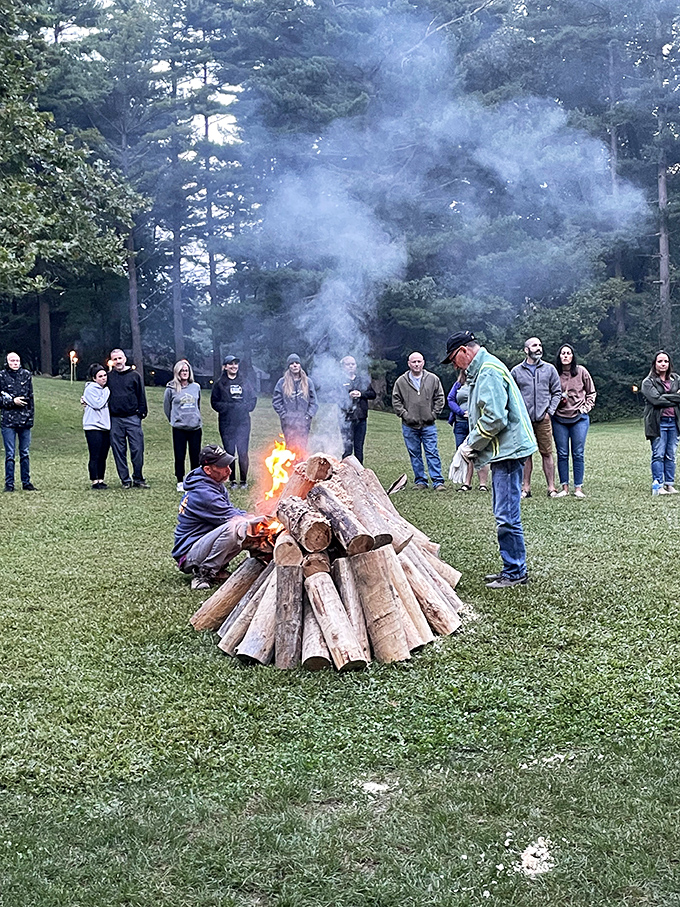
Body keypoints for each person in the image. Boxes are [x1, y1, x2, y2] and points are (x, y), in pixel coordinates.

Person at [441, 331, 537, 589]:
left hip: (509, 450)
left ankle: (516, 572)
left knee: (506, 515)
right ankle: (511, 567)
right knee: (503, 512)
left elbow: (494, 418)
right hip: (505, 449)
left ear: (463, 351)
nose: (454, 366)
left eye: (453, 359)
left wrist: (469, 445)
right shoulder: (484, 367)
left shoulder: (487, 371)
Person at [172, 444, 262, 591]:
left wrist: (254, 516)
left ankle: (217, 570)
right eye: (222, 466)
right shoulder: (204, 494)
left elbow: (231, 510)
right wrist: (261, 518)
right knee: (236, 527)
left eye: (228, 464)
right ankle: (203, 574)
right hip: (189, 555)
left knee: (241, 525)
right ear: (207, 470)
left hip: (201, 544)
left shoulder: (213, 483)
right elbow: (231, 517)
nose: (229, 470)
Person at [510, 337, 562, 499]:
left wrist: (550, 412)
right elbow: (511, 395)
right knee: (526, 453)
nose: (538, 348)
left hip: (543, 419)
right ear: (526, 350)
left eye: (540, 345)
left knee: (547, 453)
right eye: (534, 345)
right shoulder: (516, 371)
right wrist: (518, 414)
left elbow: (557, 392)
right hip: (524, 420)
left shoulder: (549, 369)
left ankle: (551, 488)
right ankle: (526, 488)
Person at [392, 351, 445, 490]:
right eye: (413, 362)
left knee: (432, 452)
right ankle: (420, 481)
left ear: (423, 362)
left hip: (428, 424)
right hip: (409, 425)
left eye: (419, 361)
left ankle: (438, 481)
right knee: (415, 454)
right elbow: (396, 400)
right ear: (409, 364)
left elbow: (440, 397)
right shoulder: (401, 381)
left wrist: (433, 414)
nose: (416, 364)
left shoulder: (433, 379)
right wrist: (405, 415)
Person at [552, 344, 596, 499]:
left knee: (578, 453)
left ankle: (578, 488)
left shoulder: (582, 371)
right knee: (562, 453)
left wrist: (585, 408)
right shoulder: (554, 373)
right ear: (559, 356)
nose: (565, 356)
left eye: (568, 353)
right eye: (562, 353)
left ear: (572, 356)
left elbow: (591, 392)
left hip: (579, 418)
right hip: (559, 418)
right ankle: (564, 487)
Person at [210, 355, 257, 488]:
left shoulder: (245, 382)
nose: (233, 366)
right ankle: (232, 480)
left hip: (243, 422)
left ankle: (243, 480)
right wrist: (230, 407)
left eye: (235, 364)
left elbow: (253, 400)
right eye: (230, 364)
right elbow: (214, 403)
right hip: (227, 423)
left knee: (243, 452)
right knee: (229, 452)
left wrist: (243, 407)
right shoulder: (220, 384)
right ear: (225, 367)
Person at [107, 348, 149, 489]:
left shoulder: (135, 376)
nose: (118, 361)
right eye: (115, 359)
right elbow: (98, 391)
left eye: (120, 358)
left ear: (125, 359)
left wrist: (141, 413)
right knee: (119, 451)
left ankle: (138, 477)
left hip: (133, 418)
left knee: (137, 449)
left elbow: (141, 395)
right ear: (112, 361)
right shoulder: (109, 377)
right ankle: (125, 480)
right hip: (115, 419)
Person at [641, 350, 680, 495]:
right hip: (658, 423)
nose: (663, 364)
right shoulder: (648, 382)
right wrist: (675, 397)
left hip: (674, 422)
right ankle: (659, 484)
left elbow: (661, 398)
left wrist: (665, 397)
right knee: (658, 453)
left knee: (671, 454)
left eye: (666, 361)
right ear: (654, 364)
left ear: (669, 363)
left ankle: (670, 484)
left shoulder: (676, 379)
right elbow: (655, 400)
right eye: (660, 361)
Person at [447, 369, 489, 491]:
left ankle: (483, 484)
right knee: (464, 452)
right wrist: (460, 412)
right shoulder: (458, 384)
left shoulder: (480, 382)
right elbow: (450, 399)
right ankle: (466, 483)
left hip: (477, 424)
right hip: (460, 423)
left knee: (480, 452)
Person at [164, 359, 202, 492]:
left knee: (195, 455)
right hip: (179, 428)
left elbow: (198, 405)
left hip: (195, 427)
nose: (184, 373)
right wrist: (174, 420)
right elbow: (166, 408)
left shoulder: (196, 387)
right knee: (180, 455)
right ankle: (180, 480)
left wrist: (196, 418)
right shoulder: (171, 388)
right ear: (177, 372)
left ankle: (194, 480)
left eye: (186, 370)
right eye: (181, 371)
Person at [0, 351, 35, 492]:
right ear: (7, 362)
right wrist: (12, 401)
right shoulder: (2, 376)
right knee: (10, 454)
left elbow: (30, 398)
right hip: (8, 421)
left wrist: (30, 418)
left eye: (17, 361)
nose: (15, 363)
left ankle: (26, 482)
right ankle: (9, 484)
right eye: (12, 361)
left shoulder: (26, 375)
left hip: (24, 420)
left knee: (24, 452)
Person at [272, 354, 318, 454]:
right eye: (292, 363)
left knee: (302, 448)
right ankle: (290, 469)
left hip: (304, 422)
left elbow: (314, 402)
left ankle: (301, 468)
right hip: (288, 422)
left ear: (300, 365)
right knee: (290, 449)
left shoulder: (308, 382)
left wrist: (308, 416)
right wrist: (284, 415)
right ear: (289, 366)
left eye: (297, 363)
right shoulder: (282, 382)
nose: (295, 365)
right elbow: (276, 401)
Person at [336, 355, 376, 463]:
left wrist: (361, 394)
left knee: (359, 447)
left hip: (361, 418)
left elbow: (372, 394)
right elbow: (335, 396)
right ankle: (345, 472)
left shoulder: (362, 380)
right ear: (343, 366)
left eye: (352, 364)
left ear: (356, 366)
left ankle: (359, 473)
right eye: (348, 364)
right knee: (347, 447)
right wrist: (347, 396)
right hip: (346, 418)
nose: (350, 366)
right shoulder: (339, 381)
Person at [82, 363, 111, 490]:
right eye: (100, 376)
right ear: (94, 378)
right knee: (95, 454)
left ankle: (101, 479)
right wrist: (106, 391)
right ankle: (94, 480)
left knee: (103, 454)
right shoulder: (90, 389)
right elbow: (98, 404)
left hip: (105, 426)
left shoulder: (105, 389)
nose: (104, 378)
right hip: (93, 426)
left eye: (104, 375)